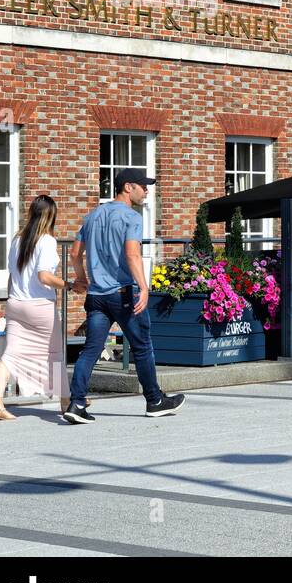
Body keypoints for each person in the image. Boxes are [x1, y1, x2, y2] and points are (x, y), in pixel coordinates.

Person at [66, 167, 184, 423]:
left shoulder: (92, 216)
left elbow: (74, 254)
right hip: (123, 295)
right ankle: (155, 401)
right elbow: (132, 254)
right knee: (142, 348)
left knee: (90, 351)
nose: (147, 191)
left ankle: (76, 404)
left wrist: (82, 278)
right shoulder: (132, 217)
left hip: (96, 296)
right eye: (144, 186)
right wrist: (143, 287)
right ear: (128, 187)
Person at [0, 195, 69, 420]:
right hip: (40, 306)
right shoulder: (47, 240)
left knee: (10, 355)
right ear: (50, 215)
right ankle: (66, 400)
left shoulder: (17, 239)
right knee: (54, 354)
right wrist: (68, 285)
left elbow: (12, 277)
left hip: (15, 303)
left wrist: (11, 300)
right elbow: (44, 276)